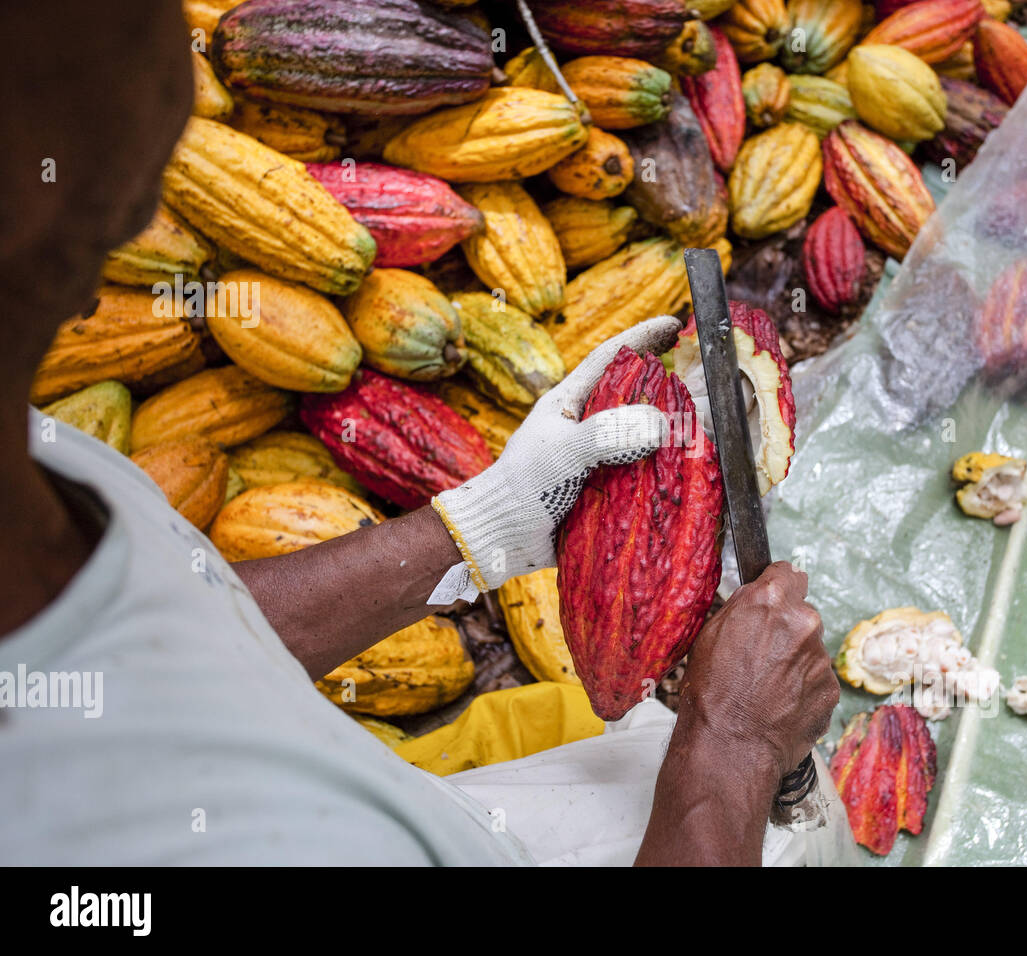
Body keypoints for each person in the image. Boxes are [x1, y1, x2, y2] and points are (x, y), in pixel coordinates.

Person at [0, 0, 839, 866]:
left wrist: (480, 525)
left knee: (660, 764)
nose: (185, 64)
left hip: (430, 818)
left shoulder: (31, 462)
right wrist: (731, 743)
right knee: (783, 834)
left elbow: (153, 649)